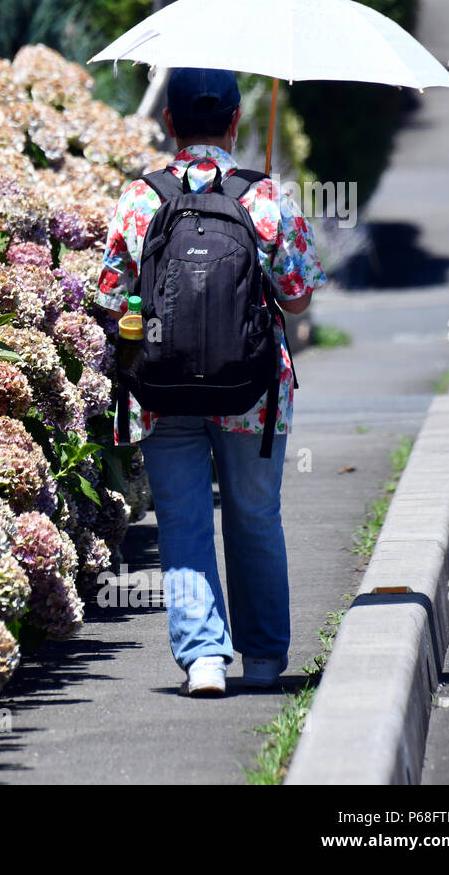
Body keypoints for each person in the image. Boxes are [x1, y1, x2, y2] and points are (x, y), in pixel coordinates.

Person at [94, 68, 327, 697]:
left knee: (182, 520)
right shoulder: (265, 196)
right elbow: (298, 298)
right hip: (253, 392)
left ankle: (202, 660)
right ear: (235, 120)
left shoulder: (140, 198)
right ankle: (263, 658)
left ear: (169, 121)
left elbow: (111, 299)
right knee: (256, 515)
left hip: (161, 390)